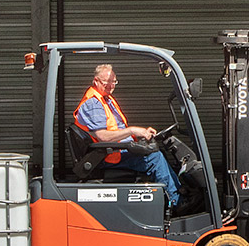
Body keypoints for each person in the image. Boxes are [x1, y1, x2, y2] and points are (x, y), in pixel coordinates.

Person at [75, 64, 181, 207]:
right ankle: (175, 202)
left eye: (114, 82)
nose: (110, 85)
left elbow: (116, 129)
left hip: (115, 150)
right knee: (154, 158)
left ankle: (178, 192)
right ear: (96, 81)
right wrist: (132, 131)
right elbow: (103, 137)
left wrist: (142, 133)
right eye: (106, 82)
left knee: (157, 151)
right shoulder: (94, 103)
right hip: (108, 155)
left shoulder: (105, 99)